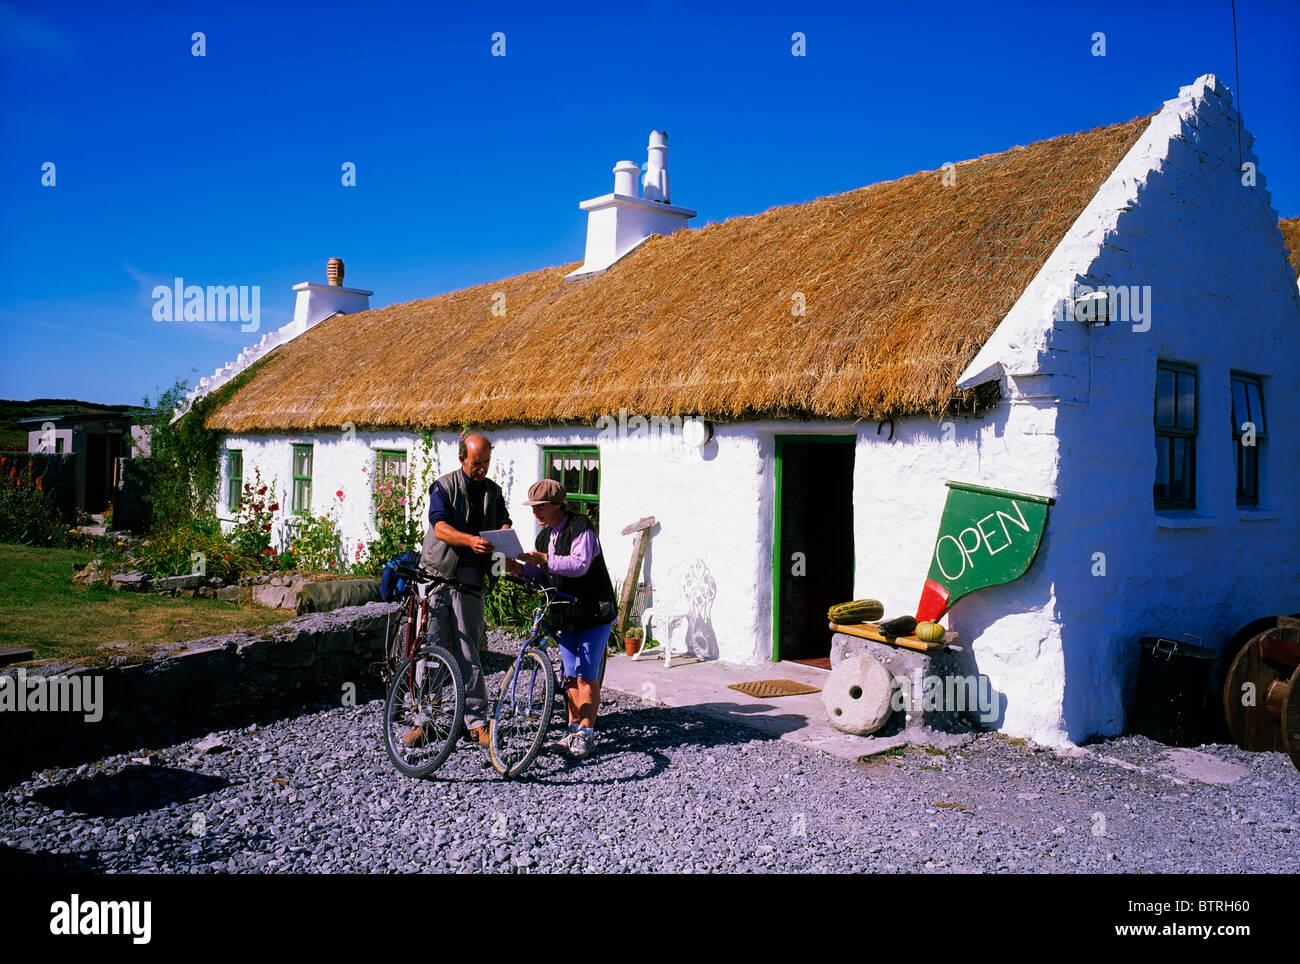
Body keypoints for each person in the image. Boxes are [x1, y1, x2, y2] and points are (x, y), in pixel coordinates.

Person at [408, 433, 512, 748]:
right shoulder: (444, 486)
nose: (481, 468)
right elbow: (439, 527)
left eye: (486, 463)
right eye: (476, 463)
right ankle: (425, 721)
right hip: (437, 575)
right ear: (461, 459)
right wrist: (470, 540)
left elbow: (504, 521)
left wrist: (504, 533)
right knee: (433, 648)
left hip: (471, 579)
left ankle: (477, 722)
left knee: (470, 651)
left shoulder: (493, 492)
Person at [508, 479, 617, 760]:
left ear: (558, 504)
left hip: (593, 611)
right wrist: (519, 570)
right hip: (565, 614)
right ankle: (572, 731)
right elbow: (543, 576)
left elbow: (579, 565)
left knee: (586, 675)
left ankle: (586, 733)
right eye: (533, 508)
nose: (536, 513)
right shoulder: (544, 538)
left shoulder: (581, 527)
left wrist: (543, 559)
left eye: (541, 507)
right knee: (570, 676)